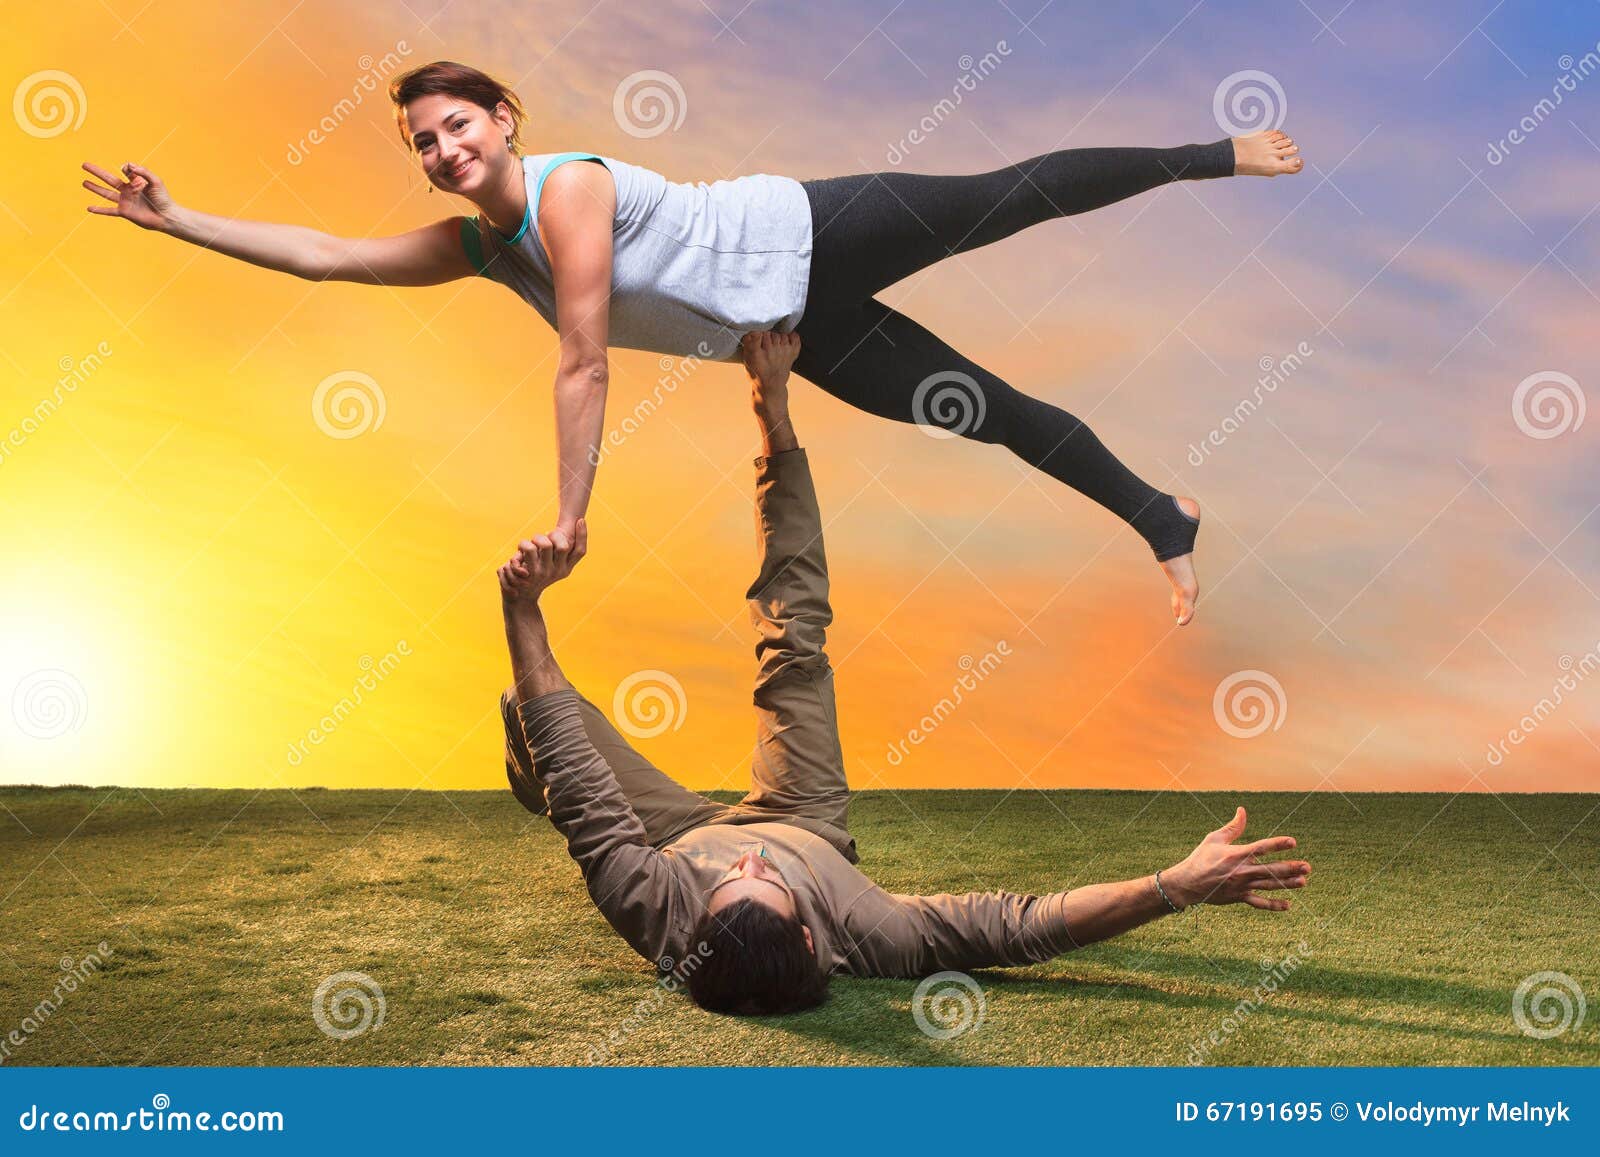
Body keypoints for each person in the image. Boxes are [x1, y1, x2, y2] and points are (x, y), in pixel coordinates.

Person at [82, 60, 1304, 625]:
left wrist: (571, 514)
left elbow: (584, 357)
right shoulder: (474, 248)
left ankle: (1218, 154)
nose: (445, 151)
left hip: (813, 226)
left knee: (1005, 193)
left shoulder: (564, 198)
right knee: (975, 408)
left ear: (505, 121)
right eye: (425, 146)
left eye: (458, 126)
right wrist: (174, 217)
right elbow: (329, 254)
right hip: (788, 327)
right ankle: (1161, 515)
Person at [495, 329, 1311, 1016]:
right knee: (795, 646)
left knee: (535, 713)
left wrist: (524, 605)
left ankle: (770, 419)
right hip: (805, 815)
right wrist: (1174, 884)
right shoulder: (872, 933)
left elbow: (581, 777)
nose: (748, 864)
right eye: (763, 881)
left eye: (731, 883)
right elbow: (1020, 927)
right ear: (814, 939)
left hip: (672, 833)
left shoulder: (651, 903)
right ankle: (778, 424)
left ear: (691, 924)